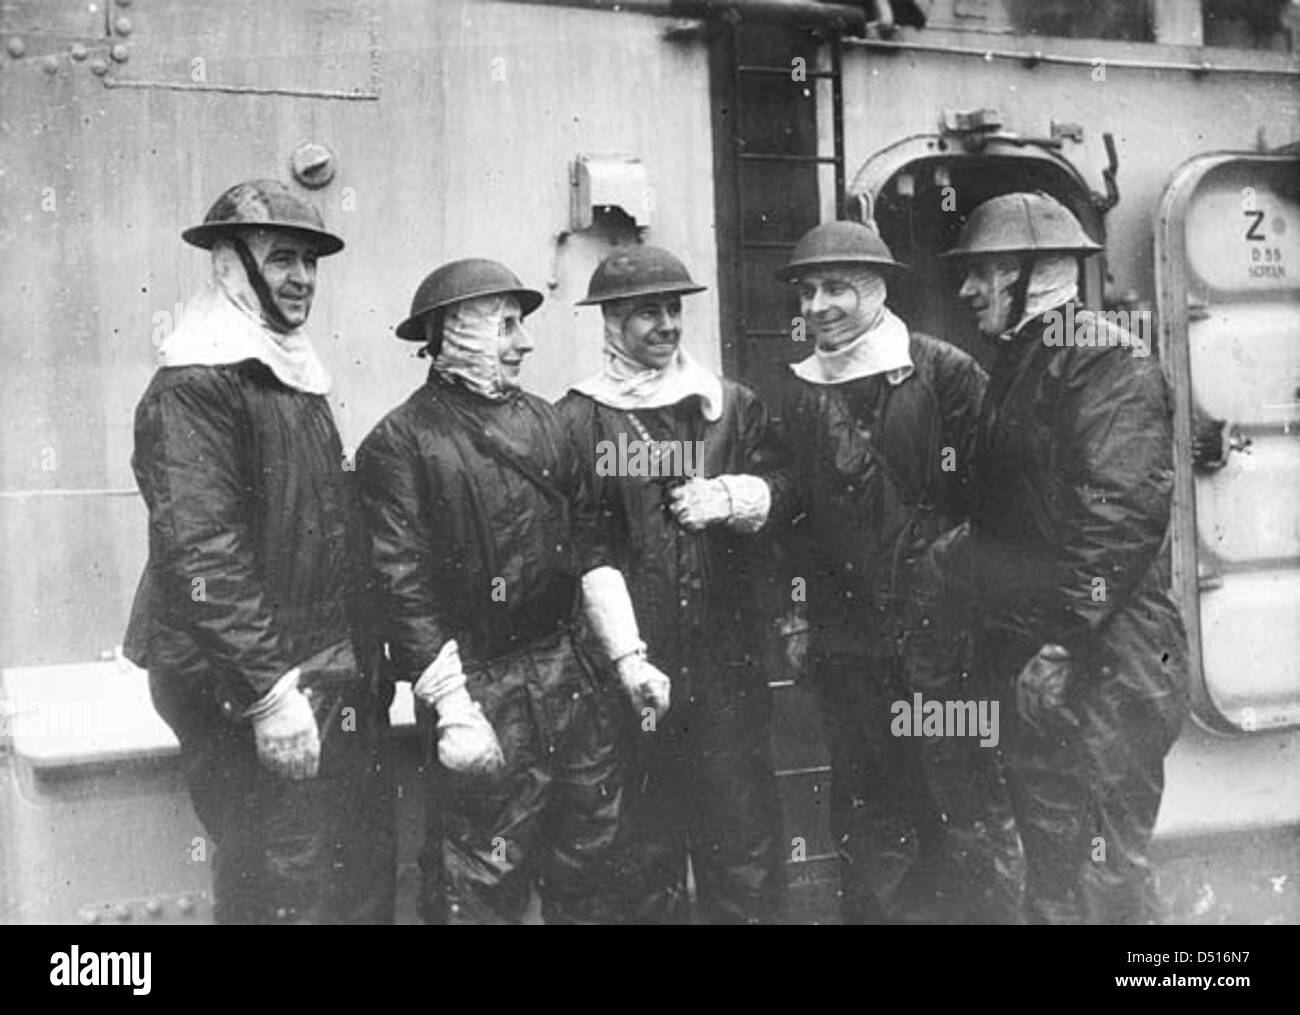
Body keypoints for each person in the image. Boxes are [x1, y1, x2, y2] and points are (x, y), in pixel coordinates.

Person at [357, 257, 672, 924]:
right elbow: (401, 585)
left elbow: (589, 545)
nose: (523, 342)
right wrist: (454, 708)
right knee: (479, 879)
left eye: (521, 325)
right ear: (455, 332)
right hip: (481, 684)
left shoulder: (547, 422)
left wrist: (628, 655)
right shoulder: (401, 442)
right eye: (505, 326)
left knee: (593, 862)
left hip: (570, 676)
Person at [123, 179, 395, 924]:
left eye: (310, 261)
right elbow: (203, 556)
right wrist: (268, 695)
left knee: (338, 875)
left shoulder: (284, 371)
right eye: (282, 259)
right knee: (286, 885)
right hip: (241, 681)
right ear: (231, 264)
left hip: (311, 667)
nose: (301, 278)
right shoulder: (194, 386)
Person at [937, 191, 1190, 924]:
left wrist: (1061, 640)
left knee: (1106, 877)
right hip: (1052, 657)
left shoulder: (1105, 360)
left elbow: (1119, 515)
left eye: (983, 272)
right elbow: (1023, 512)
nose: (966, 289)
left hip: (1109, 658)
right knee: (1055, 871)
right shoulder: (1024, 363)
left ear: (1031, 272)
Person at [777, 220, 1020, 924]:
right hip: (851, 651)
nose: (818, 305)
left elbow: (998, 504)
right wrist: (796, 614)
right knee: (871, 824)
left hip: (944, 647)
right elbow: (795, 526)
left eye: (836, 289)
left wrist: (951, 591)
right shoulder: (799, 390)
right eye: (807, 292)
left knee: (960, 811)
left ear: (877, 290)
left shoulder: (944, 372)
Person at [557, 245, 788, 923]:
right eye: (645, 313)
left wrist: (738, 496)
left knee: (743, 850)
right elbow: (580, 545)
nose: (665, 324)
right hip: (632, 683)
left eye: (672, 308)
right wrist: (627, 657)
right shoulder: (580, 419)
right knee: (640, 857)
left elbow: (788, 494)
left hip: (725, 671)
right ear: (612, 324)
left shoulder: (730, 408)